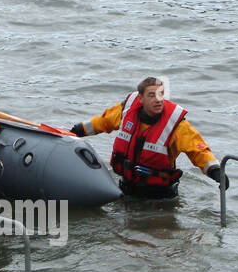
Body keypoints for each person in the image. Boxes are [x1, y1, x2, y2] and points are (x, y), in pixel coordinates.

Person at [69, 77, 222, 199]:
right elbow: (102, 122)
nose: (158, 100)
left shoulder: (177, 126)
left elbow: (198, 150)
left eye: (161, 94)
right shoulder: (126, 111)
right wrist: (75, 131)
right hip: (127, 189)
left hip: (161, 198)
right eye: (151, 95)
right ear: (140, 99)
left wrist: (214, 170)